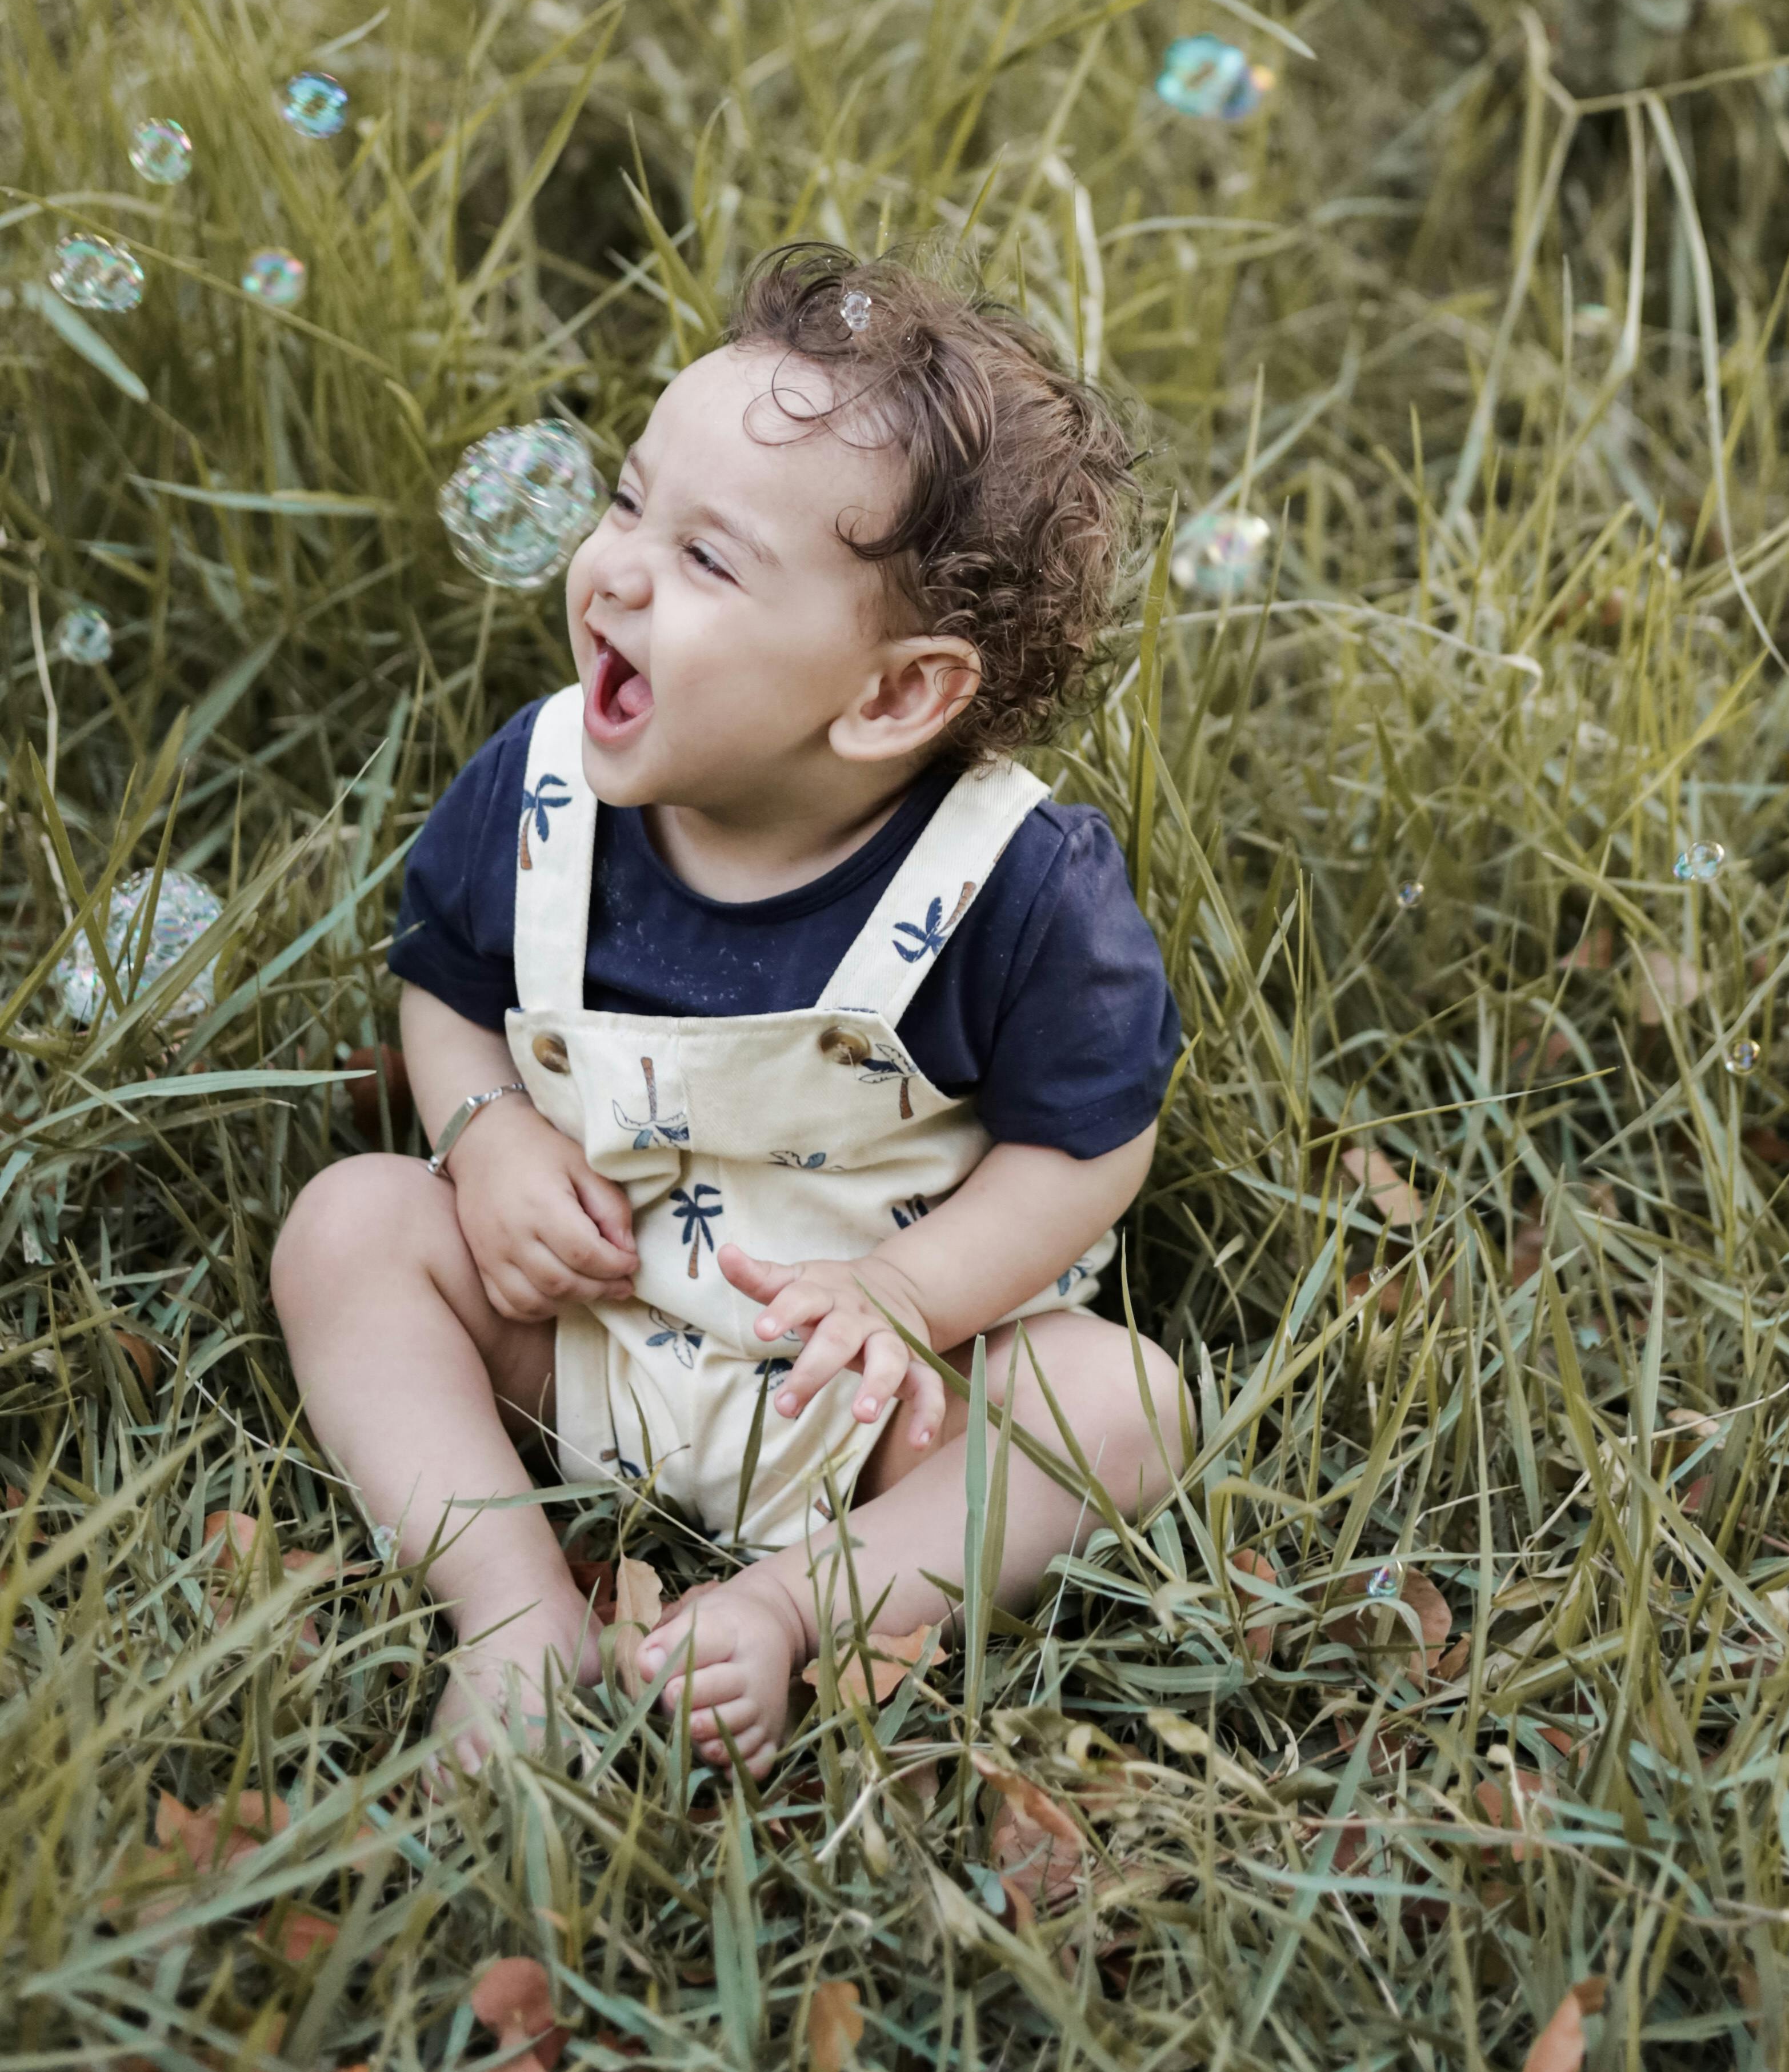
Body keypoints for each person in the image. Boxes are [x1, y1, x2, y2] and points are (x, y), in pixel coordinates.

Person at [272, 244, 1185, 1773]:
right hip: (586, 1328)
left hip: (875, 1401)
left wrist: (913, 1298)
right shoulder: (544, 788)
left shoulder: (1011, 889)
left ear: (895, 696)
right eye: (630, 502)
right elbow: (446, 988)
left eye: (707, 561)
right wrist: (487, 1134)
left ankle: (793, 1604)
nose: (617, 567)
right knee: (351, 1226)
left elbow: (1089, 1150)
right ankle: (511, 1606)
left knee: (1120, 1400)